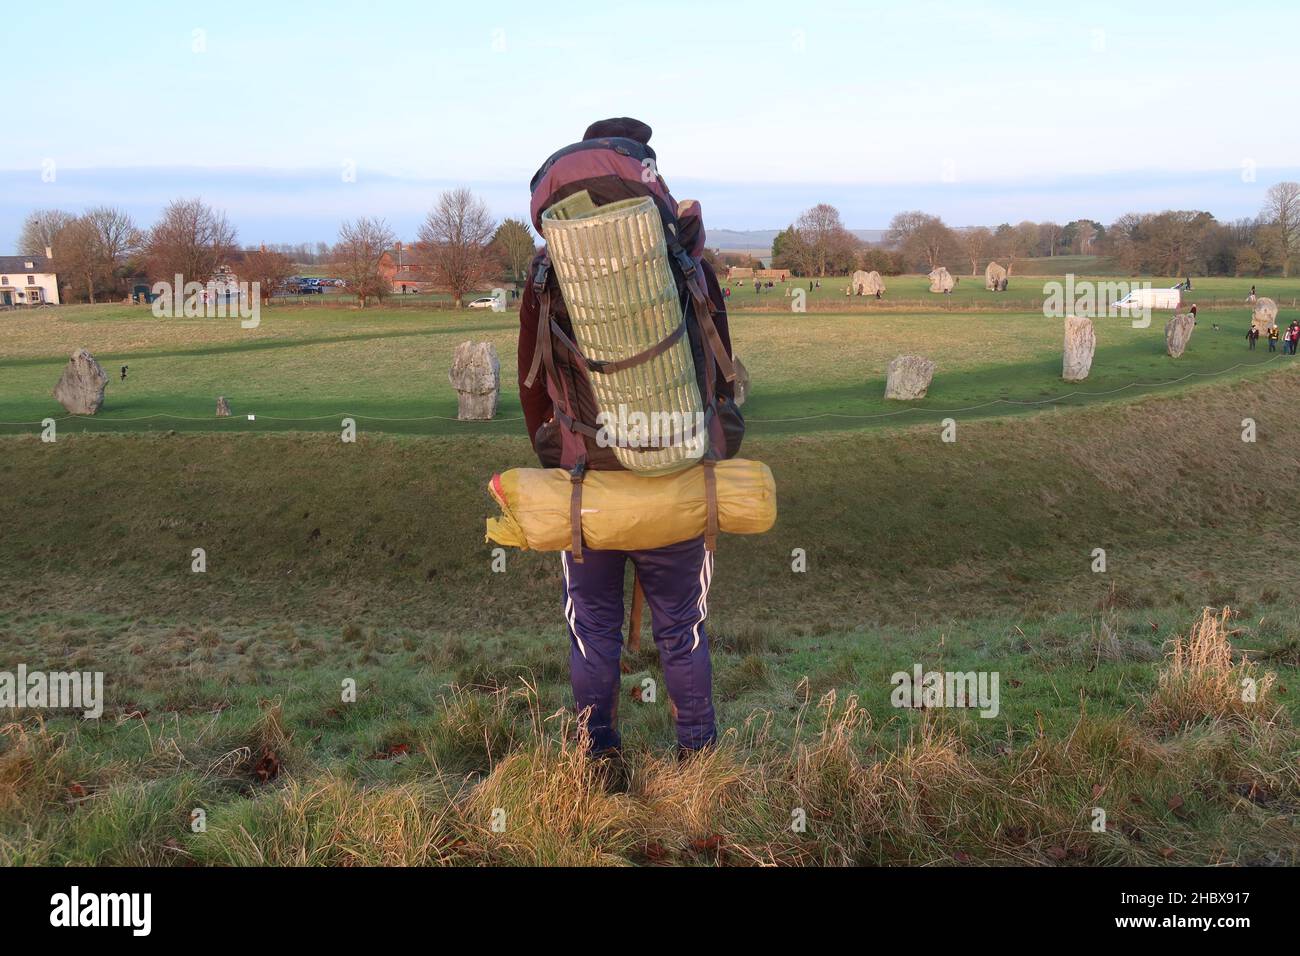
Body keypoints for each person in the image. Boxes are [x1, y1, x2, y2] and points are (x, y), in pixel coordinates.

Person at [518, 117, 736, 761]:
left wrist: (562, 458)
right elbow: (720, 370)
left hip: (590, 486)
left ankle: (597, 760)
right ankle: (699, 760)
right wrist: (717, 448)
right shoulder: (686, 256)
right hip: (675, 479)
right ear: (648, 173)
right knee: (683, 631)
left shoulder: (548, 268)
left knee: (593, 633)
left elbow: (534, 388)